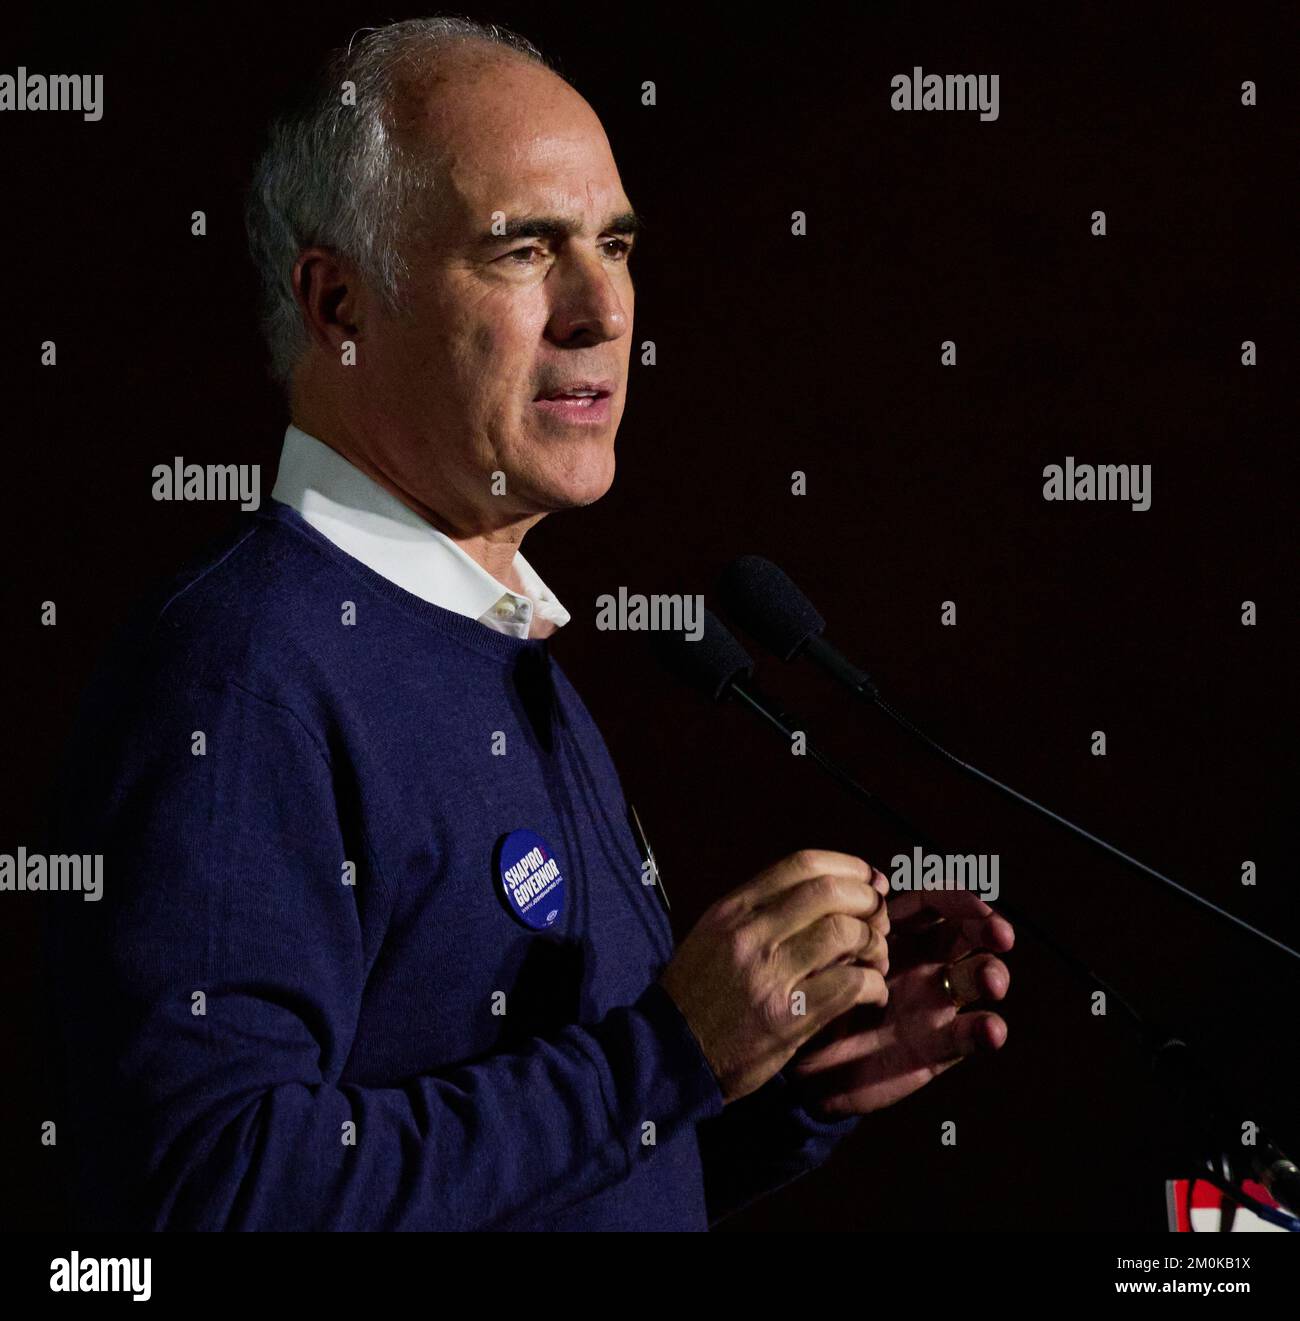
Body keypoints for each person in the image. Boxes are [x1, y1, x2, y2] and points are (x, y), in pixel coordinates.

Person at [43, 16, 1013, 1231]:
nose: (603, 309)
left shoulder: (499, 652)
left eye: (614, 244)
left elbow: (566, 1178)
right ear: (338, 301)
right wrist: (668, 1054)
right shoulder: (242, 675)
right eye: (521, 250)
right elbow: (211, 1193)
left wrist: (786, 1080)